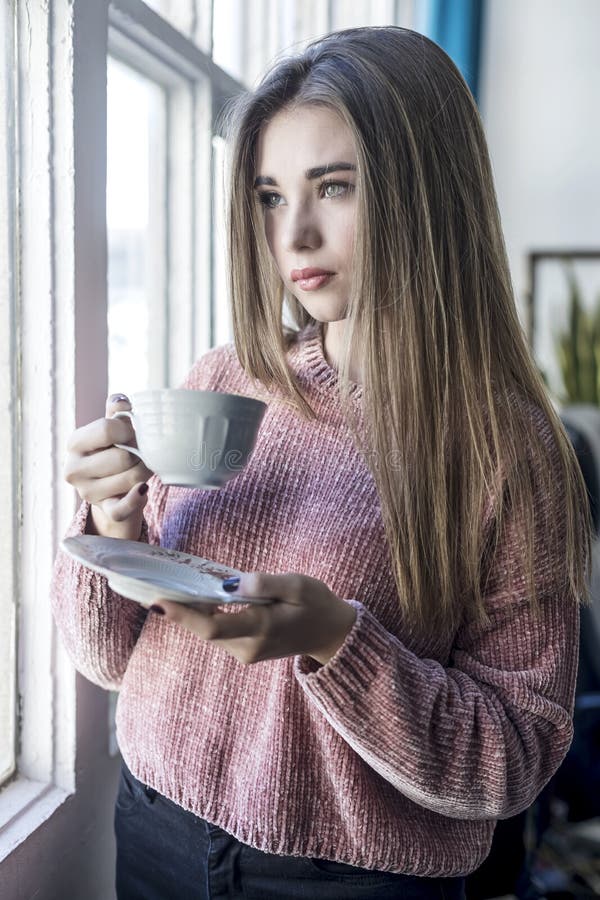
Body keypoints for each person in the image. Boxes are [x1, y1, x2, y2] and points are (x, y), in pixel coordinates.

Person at [51, 25, 592, 900]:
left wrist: (338, 641)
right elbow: (111, 661)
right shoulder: (228, 381)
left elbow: (515, 758)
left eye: (333, 187)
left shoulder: (509, 452)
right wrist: (111, 524)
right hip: (152, 826)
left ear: (425, 191)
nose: (293, 233)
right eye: (270, 196)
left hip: (347, 880)